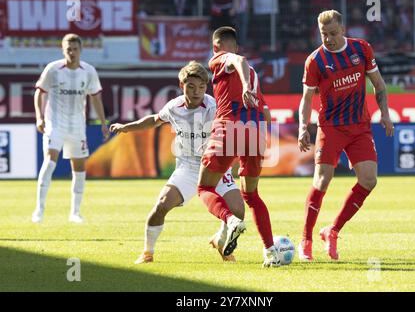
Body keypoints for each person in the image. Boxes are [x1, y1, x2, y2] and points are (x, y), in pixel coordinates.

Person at [109, 61, 245, 263]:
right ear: (182, 86)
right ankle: (147, 252)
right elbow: (155, 119)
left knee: (238, 212)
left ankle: (220, 239)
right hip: (188, 168)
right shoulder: (174, 107)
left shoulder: (214, 106)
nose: (197, 91)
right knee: (161, 206)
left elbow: (232, 126)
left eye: (201, 87)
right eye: (191, 86)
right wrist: (127, 127)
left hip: (215, 167)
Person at [298, 10, 394, 261]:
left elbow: (379, 85)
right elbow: (307, 98)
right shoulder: (315, 60)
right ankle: (306, 239)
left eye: (332, 33)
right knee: (322, 180)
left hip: (359, 126)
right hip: (331, 127)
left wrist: (384, 113)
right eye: (323, 34)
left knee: (369, 180)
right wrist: (302, 127)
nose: (328, 39)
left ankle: (333, 230)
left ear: (342, 29)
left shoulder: (361, 49)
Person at [197, 26, 280, 267]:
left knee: (204, 187)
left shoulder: (219, 59)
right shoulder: (253, 73)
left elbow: (238, 59)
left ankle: (229, 220)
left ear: (216, 46)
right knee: (251, 194)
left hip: (230, 126)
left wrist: (243, 87)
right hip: (255, 131)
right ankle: (271, 251)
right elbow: (265, 111)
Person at [32, 33, 109, 224]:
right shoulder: (53, 69)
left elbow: (96, 97)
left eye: (75, 49)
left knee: (80, 168)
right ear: (63, 50)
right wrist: (39, 117)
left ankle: (75, 212)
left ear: (80, 50)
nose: (72, 52)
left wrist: (103, 123)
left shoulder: (88, 71)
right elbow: (39, 92)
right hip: (55, 124)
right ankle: (39, 210)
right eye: (68, 49)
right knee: (50, 162)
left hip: (77, 126)